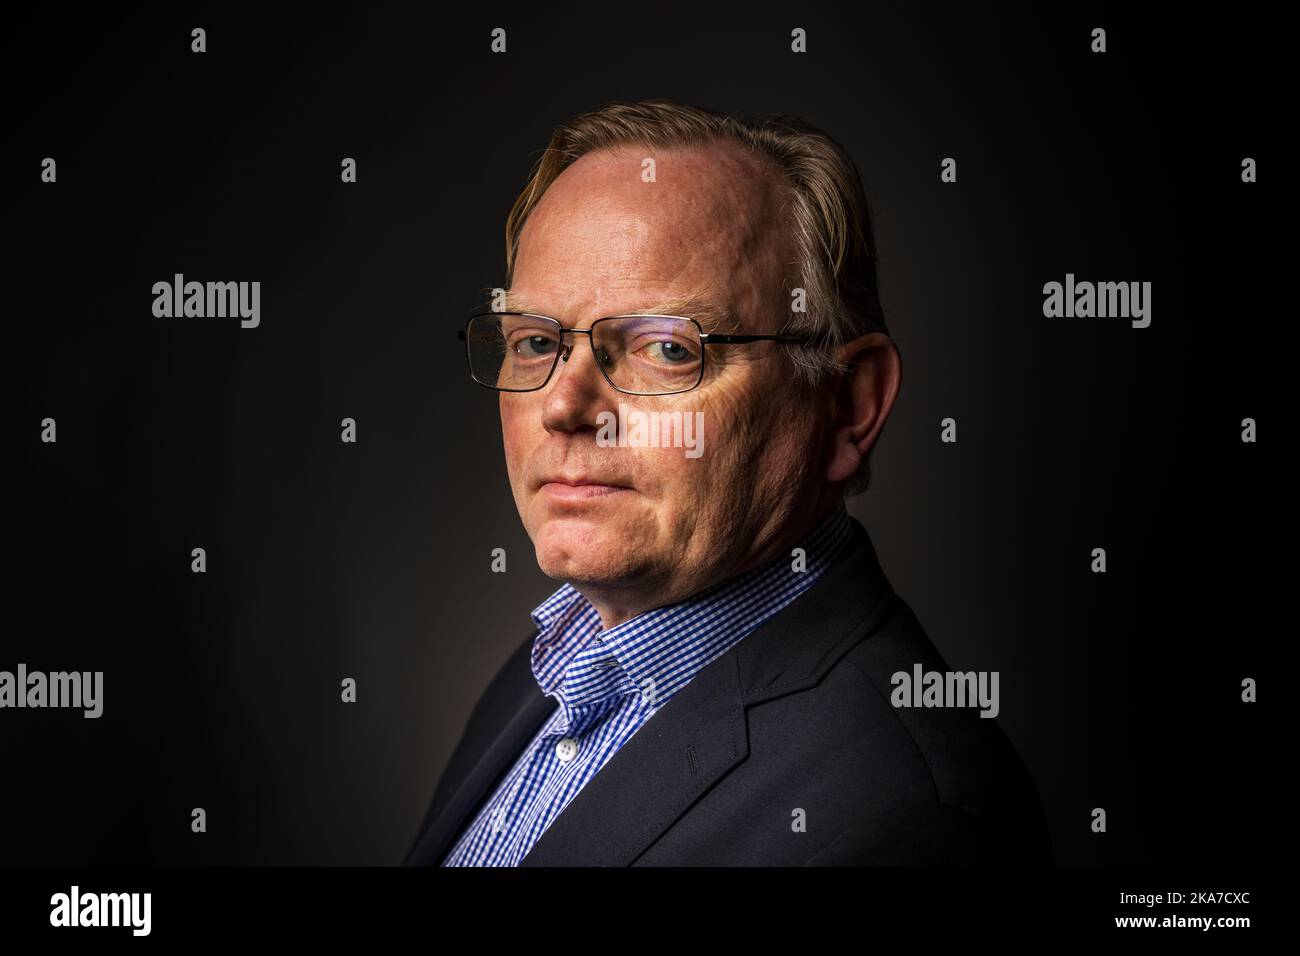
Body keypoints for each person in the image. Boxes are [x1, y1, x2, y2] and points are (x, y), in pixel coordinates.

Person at [404, 99, 1050, 866]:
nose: (564, 406)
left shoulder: (905, 818)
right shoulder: (559, 662)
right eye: (537, 341)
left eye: (666, 349)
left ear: (849, 404)